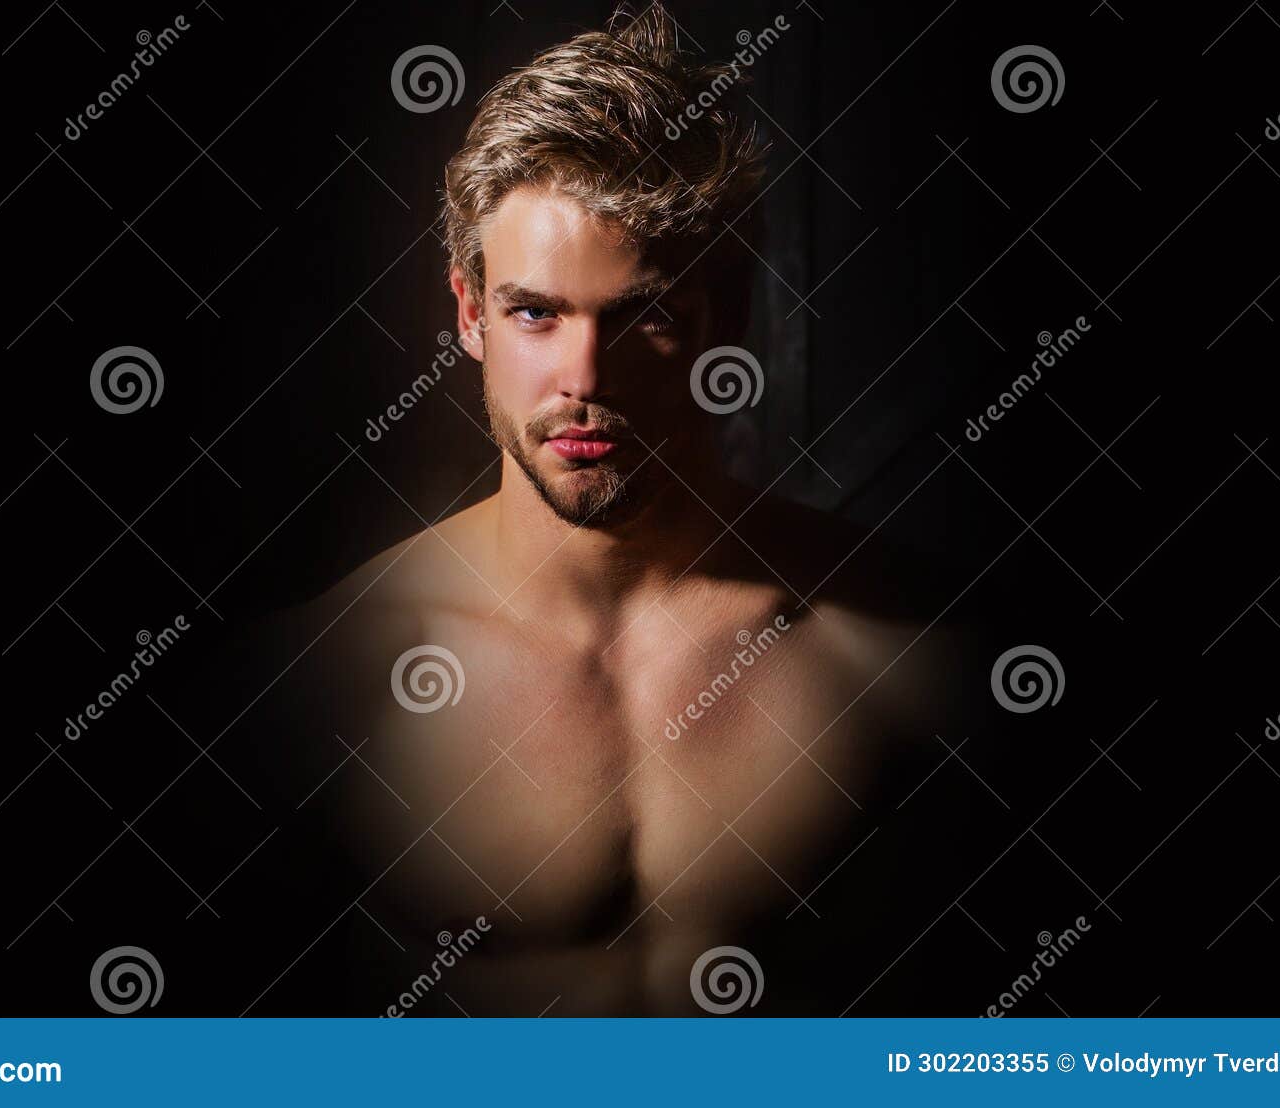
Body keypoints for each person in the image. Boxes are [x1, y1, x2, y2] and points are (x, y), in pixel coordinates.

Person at [237, 1, 1012, 1015]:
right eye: (534, 312)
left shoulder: (893, 644)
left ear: (724, 318)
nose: (583, 375)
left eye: (642, 313)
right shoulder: (333, 678)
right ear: (469, 314)